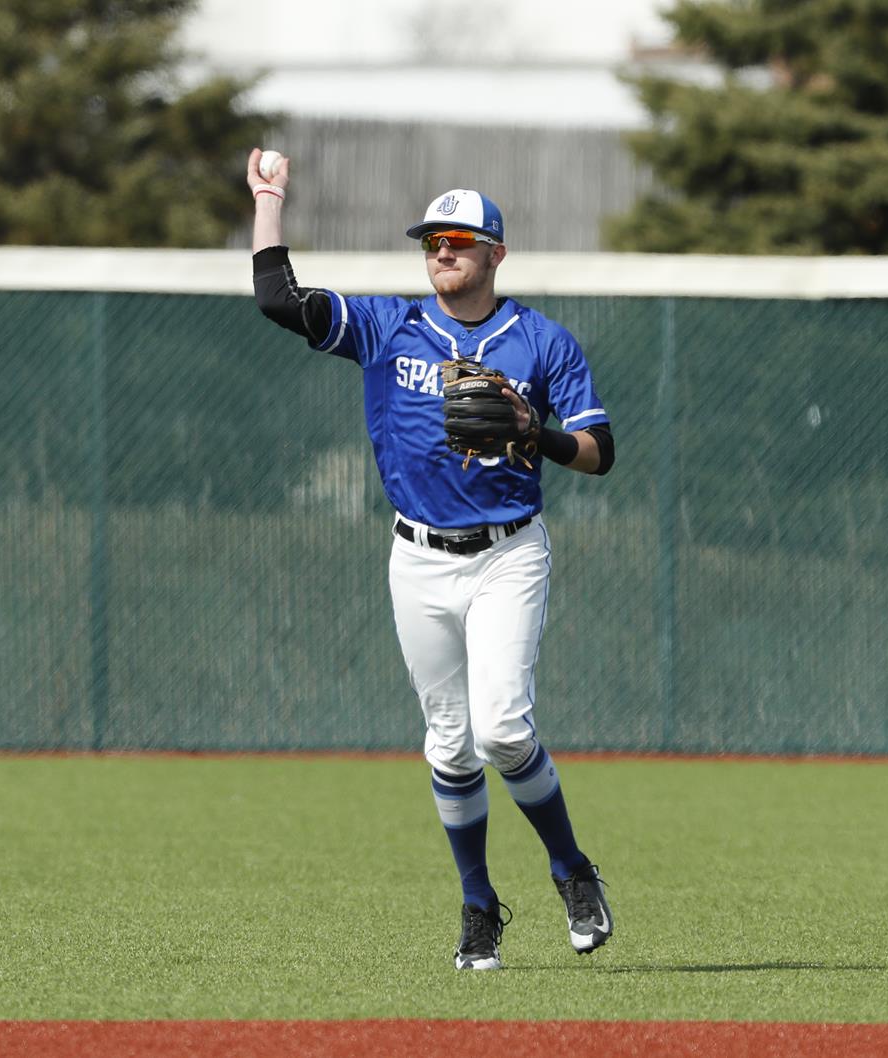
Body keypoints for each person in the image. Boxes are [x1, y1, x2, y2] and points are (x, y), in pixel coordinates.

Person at [246, 148, 617, 970]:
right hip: (416, 557)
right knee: (449, 747)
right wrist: (268, 199)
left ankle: (571, 868)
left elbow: (601, 451)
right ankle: (479, 906)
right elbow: (278, 299)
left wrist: (535, 433)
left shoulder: (543, 342)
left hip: (507, 553)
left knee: (503, 730)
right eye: (431, 241)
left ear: (495, 253)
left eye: (458, 239)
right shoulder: (391, 326)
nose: (441, 251)